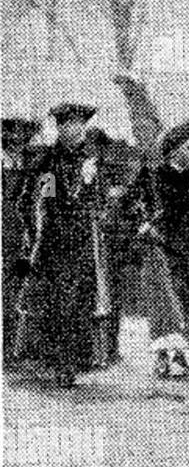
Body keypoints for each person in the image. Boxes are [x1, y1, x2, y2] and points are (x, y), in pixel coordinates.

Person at [13, 103, 117, 387]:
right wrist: (82, 182)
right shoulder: (48, 163)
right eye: (72, 124)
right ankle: (61, 364)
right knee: (60, 305)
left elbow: (98, 200)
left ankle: (75, 360)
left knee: (82, 301)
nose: (79, 129)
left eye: (82, 124)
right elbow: (43, 202)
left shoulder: (89, 159)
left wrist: (95, 194)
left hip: (83, 242)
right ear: (60, 128)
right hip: (56, 245)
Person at [133, 121, 189, 376]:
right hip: (162, 246)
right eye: (188, 147)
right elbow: (134, 204)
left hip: (184, 246)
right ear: (175, 151)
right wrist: (144, 225)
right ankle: (165, 358)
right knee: (165, 301)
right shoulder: (154, 176)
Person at [3, 117, 43, 361]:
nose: (19, 142)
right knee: (6, 292)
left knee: (22, 291)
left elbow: (42, 195)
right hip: (6, 233)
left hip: (26, 235)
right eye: (13, 138)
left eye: (24, 137)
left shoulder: (31, 166)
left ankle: (19, 349)